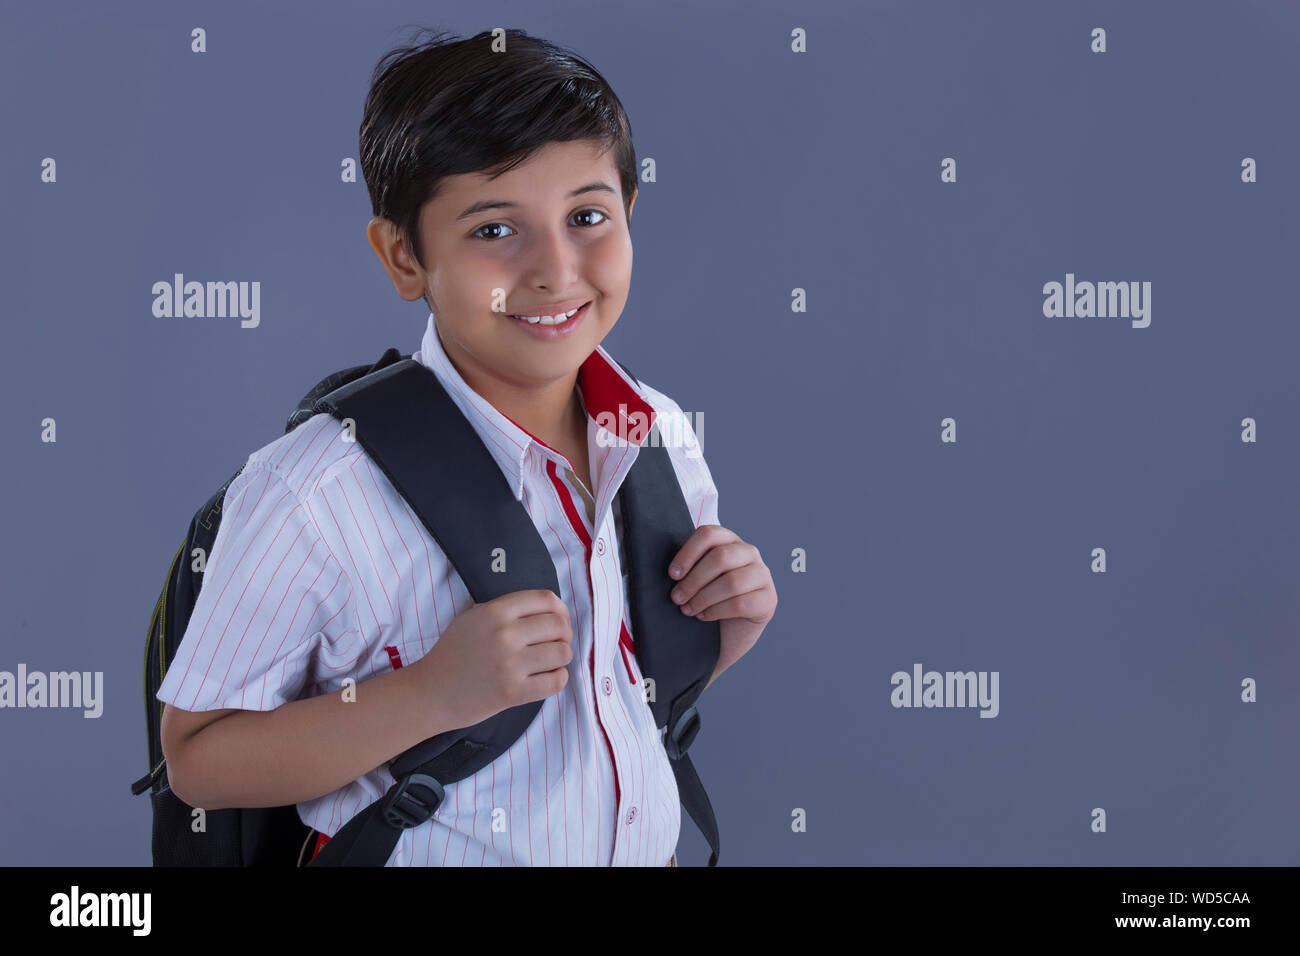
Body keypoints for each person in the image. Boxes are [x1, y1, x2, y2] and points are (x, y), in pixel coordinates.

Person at [156, 26, 777, 866]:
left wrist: (718, 633)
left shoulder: (655, 434)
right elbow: (198, 757)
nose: (556, 269)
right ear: (404, 256)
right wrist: (427, 695)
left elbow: (618, 702)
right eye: (494, 230)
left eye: (587, 216)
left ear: (631, 212)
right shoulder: (318, 492)